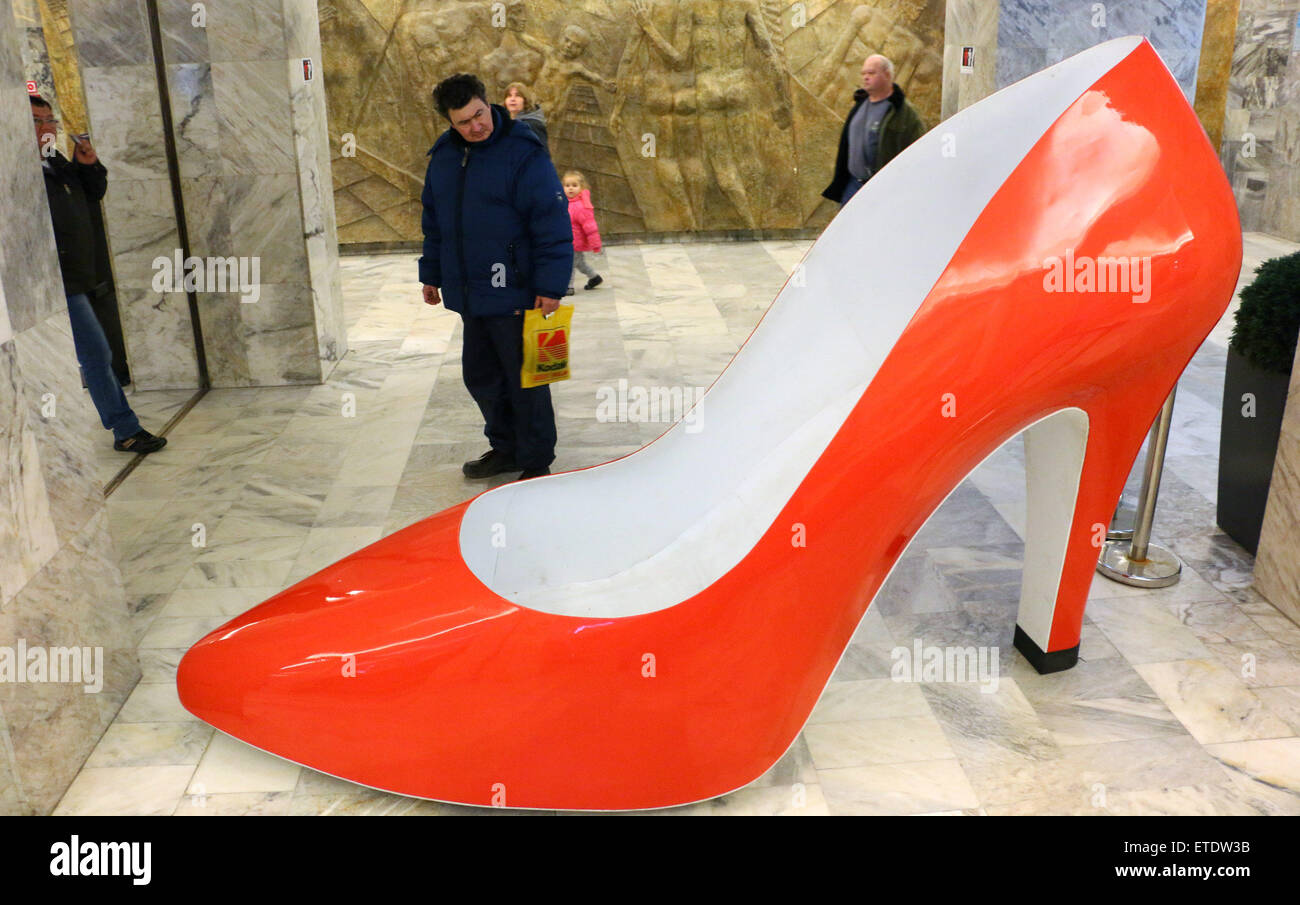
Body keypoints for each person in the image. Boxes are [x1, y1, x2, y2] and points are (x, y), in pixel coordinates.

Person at [419, 74, 572, 481]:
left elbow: (551, 220)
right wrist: (431, 274)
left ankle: (537, 460)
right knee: (482, 377)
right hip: (471, 292)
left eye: (479, 114)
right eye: (464, 122)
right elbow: (434, 223)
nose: (476, 126)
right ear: (449, 123)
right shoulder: (446, 158)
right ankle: (504, 448)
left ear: (488, 104)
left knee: (527, 379)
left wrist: (550, 285)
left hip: (518, 291)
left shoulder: (523, 151)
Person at [32, 95, 166, 454]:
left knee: (95, 354)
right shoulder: (15, 169)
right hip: (45, 283)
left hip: (76, 277)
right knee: (95, 353)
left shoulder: (53, 162)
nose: (46, 128)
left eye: (49, 120)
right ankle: (124, 428)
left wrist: (89, 165)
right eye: (37, 121)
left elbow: (93, 193)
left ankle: (123, 429)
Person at [822, 54, 926, 207]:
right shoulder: (859, 105)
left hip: (882, 190)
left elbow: (918, 153)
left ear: (887, 75)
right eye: (863, 73)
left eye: (871, 73)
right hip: (853, 187)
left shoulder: (904, 113)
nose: (865, 77)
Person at [562, 170, 603, 293]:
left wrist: (595, 244)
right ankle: (594, 277)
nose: (570, 189)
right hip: (566, 240)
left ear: (581, 187)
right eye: (567, 185)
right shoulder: (563, 202)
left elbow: (590, 227)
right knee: (579, 263)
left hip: (575, 242)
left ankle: (568, 287)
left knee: (569, 264)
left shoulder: (581, 206)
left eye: (574, 186)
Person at [503, 82, 549, 149]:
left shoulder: (533, 125)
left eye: (517, 96)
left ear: (525, 100)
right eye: (509, 96)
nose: (512, 99)